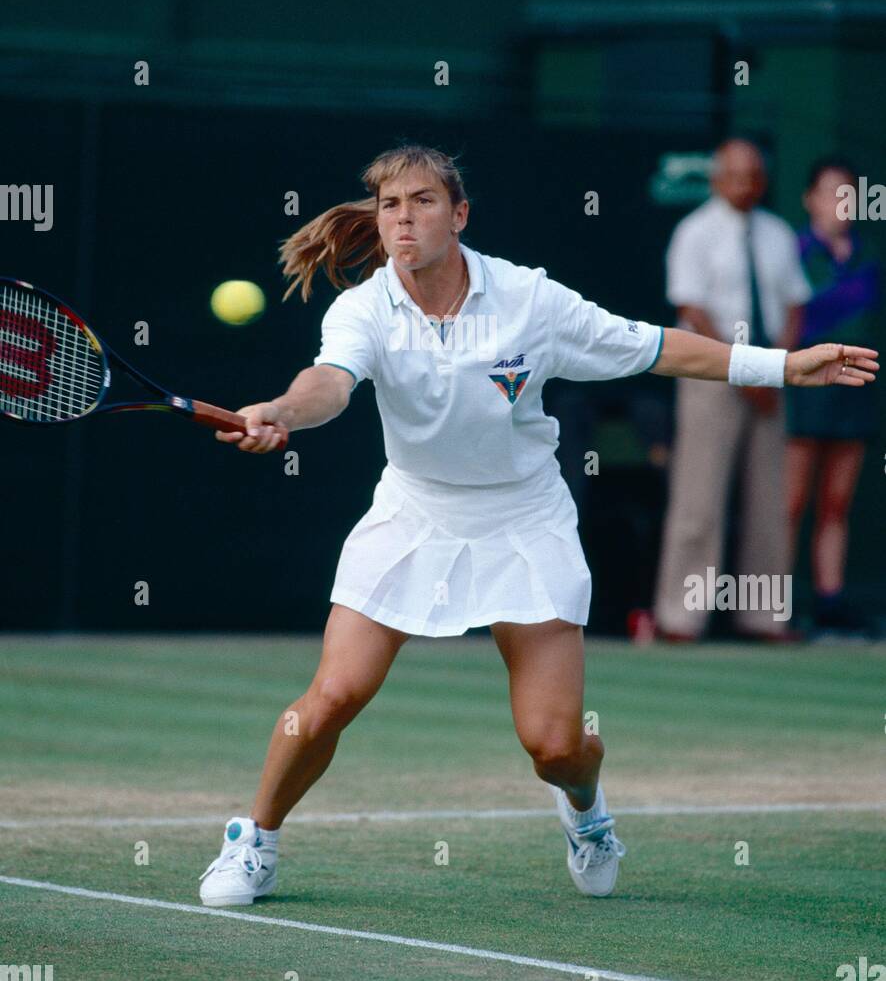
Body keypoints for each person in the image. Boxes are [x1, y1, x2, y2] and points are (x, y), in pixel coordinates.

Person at [195, 143, 878, 906]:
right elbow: (328, 383)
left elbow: (653, 347)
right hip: (413, 515)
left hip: (525, 520)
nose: (403, 219)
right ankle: (254, 841)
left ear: (459, 215)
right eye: (390, 205)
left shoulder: (530, 301)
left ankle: (587, 813)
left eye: (422, 201)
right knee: (331, 698)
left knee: (556, 747)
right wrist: (282, 413)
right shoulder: (362, 310)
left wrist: (783, 366)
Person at [653, 139, 814, 641]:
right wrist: (744, 369)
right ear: (718, 179)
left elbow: (794, 302)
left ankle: (764, 617)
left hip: (770, 377)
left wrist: (780, 364)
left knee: (771, 502)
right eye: (735, 175)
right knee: (698, 499)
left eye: (754, 176)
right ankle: (679, 617)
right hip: (711, 375)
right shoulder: (694, 232)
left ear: (763, 182)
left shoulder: (778, 234)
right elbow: (692, 308)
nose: (745, 185)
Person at [785, 159, 882, 637]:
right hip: (804, 393)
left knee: (836, 503)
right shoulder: (794, 254)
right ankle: (775, 607)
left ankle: (829, 601)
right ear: (810, 200)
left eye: (848, 194)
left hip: (855, 393)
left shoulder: (869, 258)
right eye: (830, 193)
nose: (840, 204)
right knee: (791, 501)